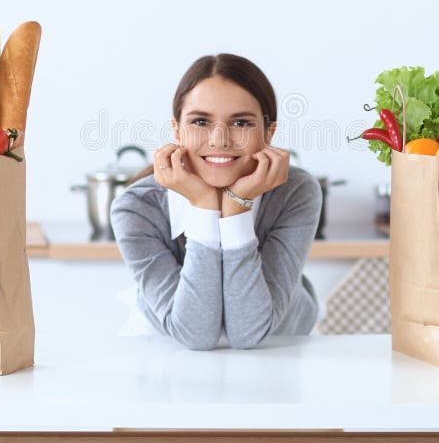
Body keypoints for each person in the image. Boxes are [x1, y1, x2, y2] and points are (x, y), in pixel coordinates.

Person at [110, 53, 322, 350]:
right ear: (176, 130)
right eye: (200, 121)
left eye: (240, 122)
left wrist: (235, 207)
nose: (220, 140)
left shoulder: (295, 192)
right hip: (165, 354)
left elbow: (250, 333)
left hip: (281, 349)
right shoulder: (136, 208)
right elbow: (194, 334)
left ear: (269, 133)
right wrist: (204, 206)